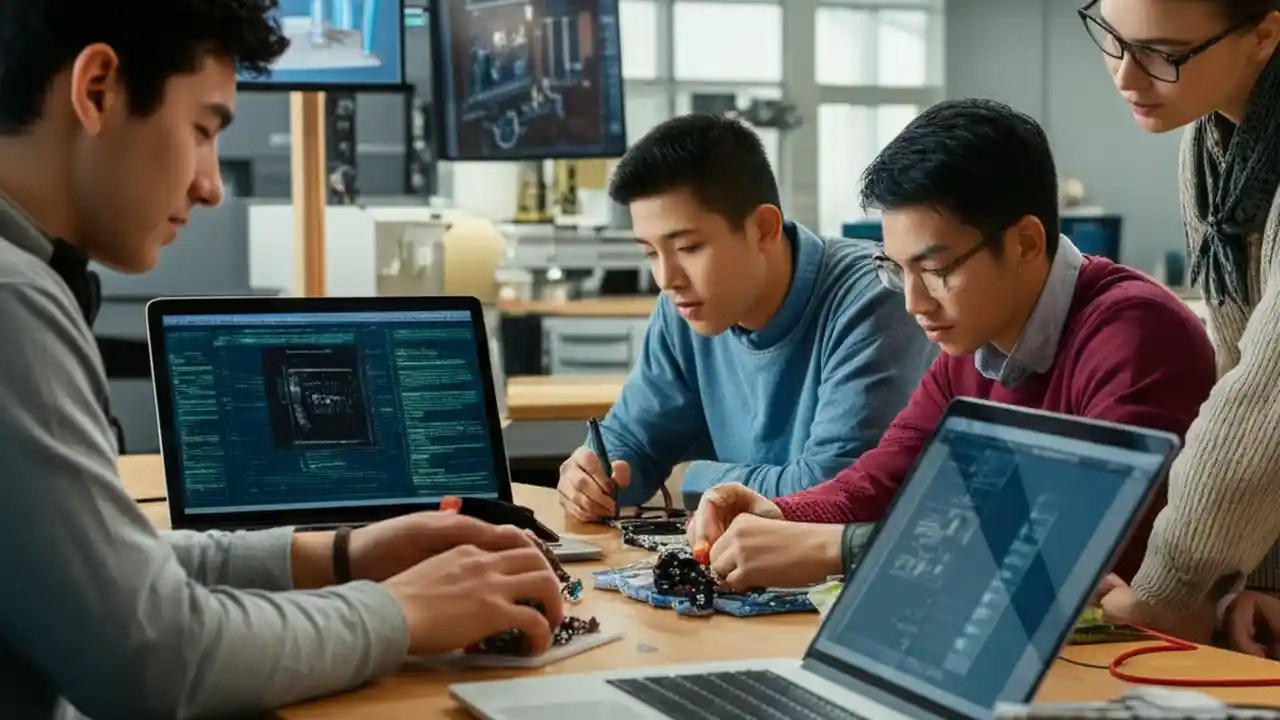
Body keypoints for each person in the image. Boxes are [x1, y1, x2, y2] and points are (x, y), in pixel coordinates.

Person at [0, 2, 563, 718]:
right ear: (98, 88)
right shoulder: (12, 299)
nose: (210, 185)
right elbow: (157, 656)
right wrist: (399, 612)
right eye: (202, 130)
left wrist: (342, 557)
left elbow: (104, 575)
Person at [686, 98, 1217, 592]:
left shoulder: (1137, 336)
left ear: (1026, 243)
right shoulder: (970, 346)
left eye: (936, 270)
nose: (914, 302)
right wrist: (778, 514)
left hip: (1137, 664)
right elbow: (883, 480)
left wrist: (838, 548)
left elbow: (1065, 544)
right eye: (896, 269)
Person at [556, 114, 933, 522]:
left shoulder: (877, 297)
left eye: (688, 247)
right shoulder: (683, 307)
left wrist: (691, 478)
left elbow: (831, 489)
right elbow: (629, 443)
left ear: (764, 229)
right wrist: (590, 477)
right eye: (650, 253)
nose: (667, 279)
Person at [1078, 0, 1280, 651]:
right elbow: (1237, 353)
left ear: (1265, 34)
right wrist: (1257, 582)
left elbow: (1264, 402)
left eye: (1164, 54)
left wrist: (1171, 591)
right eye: (1113, 38)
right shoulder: (1212, 142)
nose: (1125, 78)